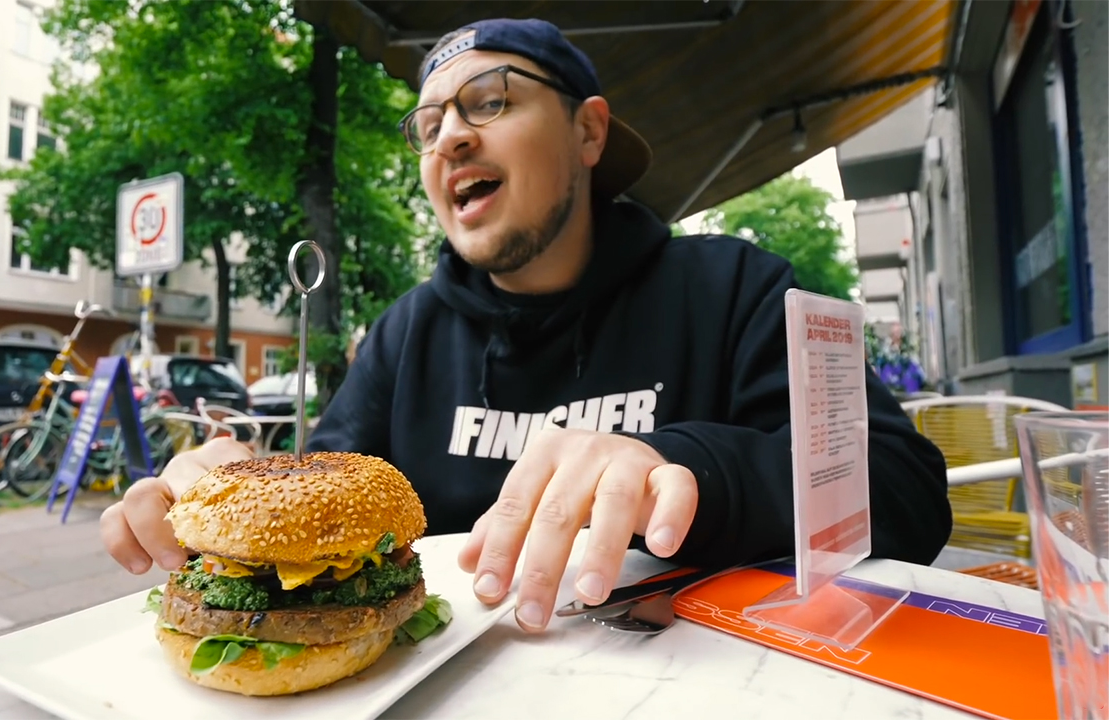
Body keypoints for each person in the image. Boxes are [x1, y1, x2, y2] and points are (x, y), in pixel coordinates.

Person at [101, 17, 951, 634]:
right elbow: (330, 485)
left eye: (489, 101)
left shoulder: (733, 286)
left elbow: (908, 492)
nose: (450, 140)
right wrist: (245, 482)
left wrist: (686, 467)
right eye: (429, 127)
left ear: (588, 130)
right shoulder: (406, 334)